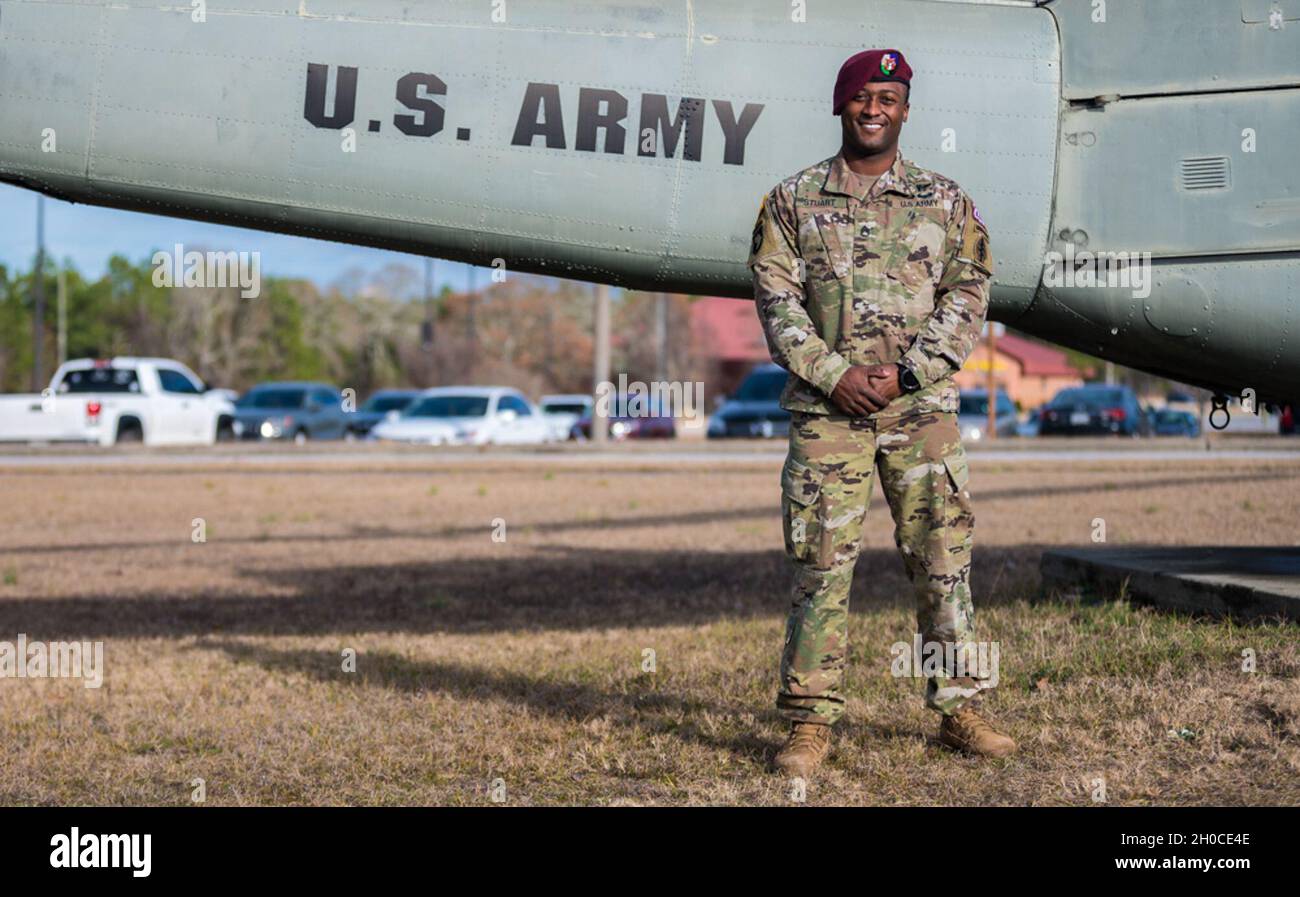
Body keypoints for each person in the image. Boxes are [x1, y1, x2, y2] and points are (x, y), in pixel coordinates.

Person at [747, 48, 1016, 779]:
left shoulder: (947, 202)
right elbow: (777, 304)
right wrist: (835, 376)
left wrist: (905, 373)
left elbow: (968, 296)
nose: (875, 109)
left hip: (919, 412)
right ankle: (809, 722)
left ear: (905, 110)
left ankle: (960, 709)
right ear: (842, 105)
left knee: (943, 560)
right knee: (820, 567)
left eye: (888, 98)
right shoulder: (790, 201)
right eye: (863, 96)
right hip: (826, 415)